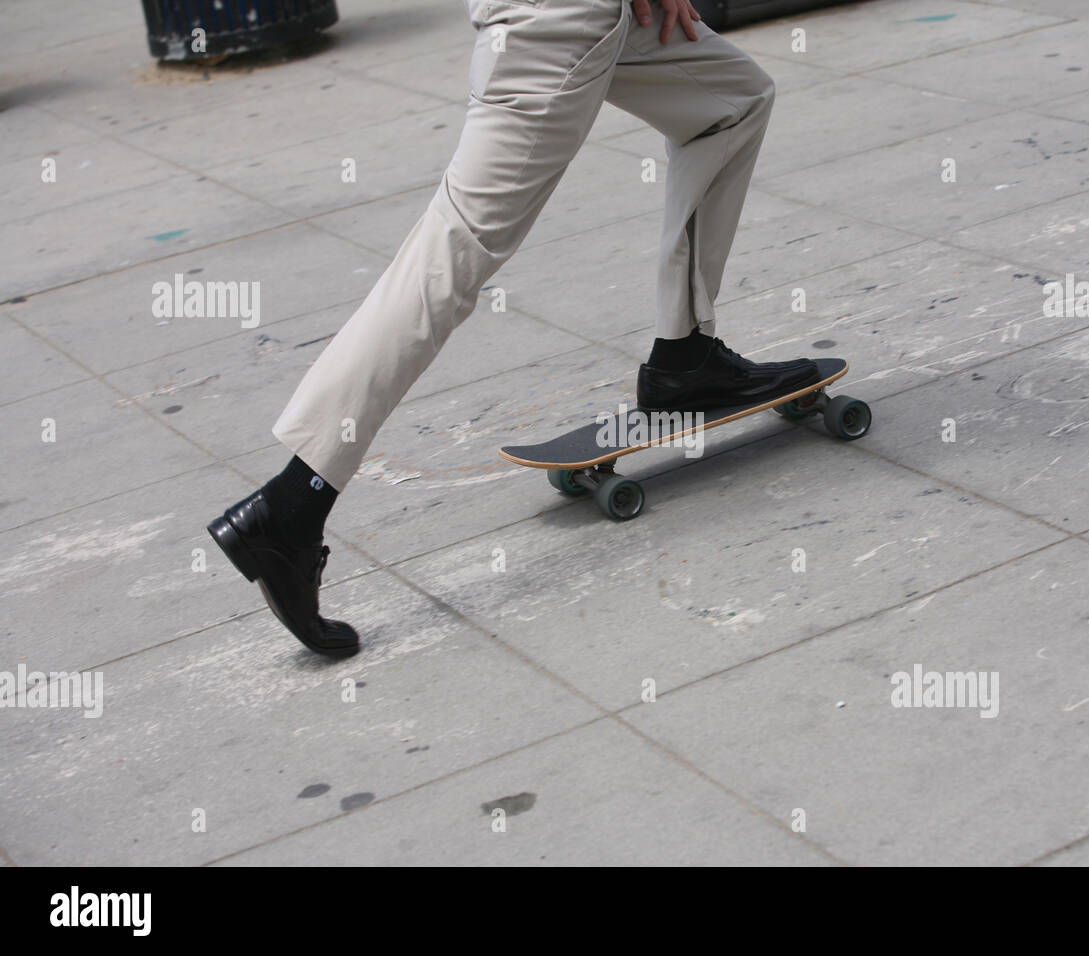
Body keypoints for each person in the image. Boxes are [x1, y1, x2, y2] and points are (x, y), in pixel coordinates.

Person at [207, 0, 821, 657]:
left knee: (732, 100)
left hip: (593, 16)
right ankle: (293, 504)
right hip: (559, 24)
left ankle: (686, 355)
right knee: (449, 260)